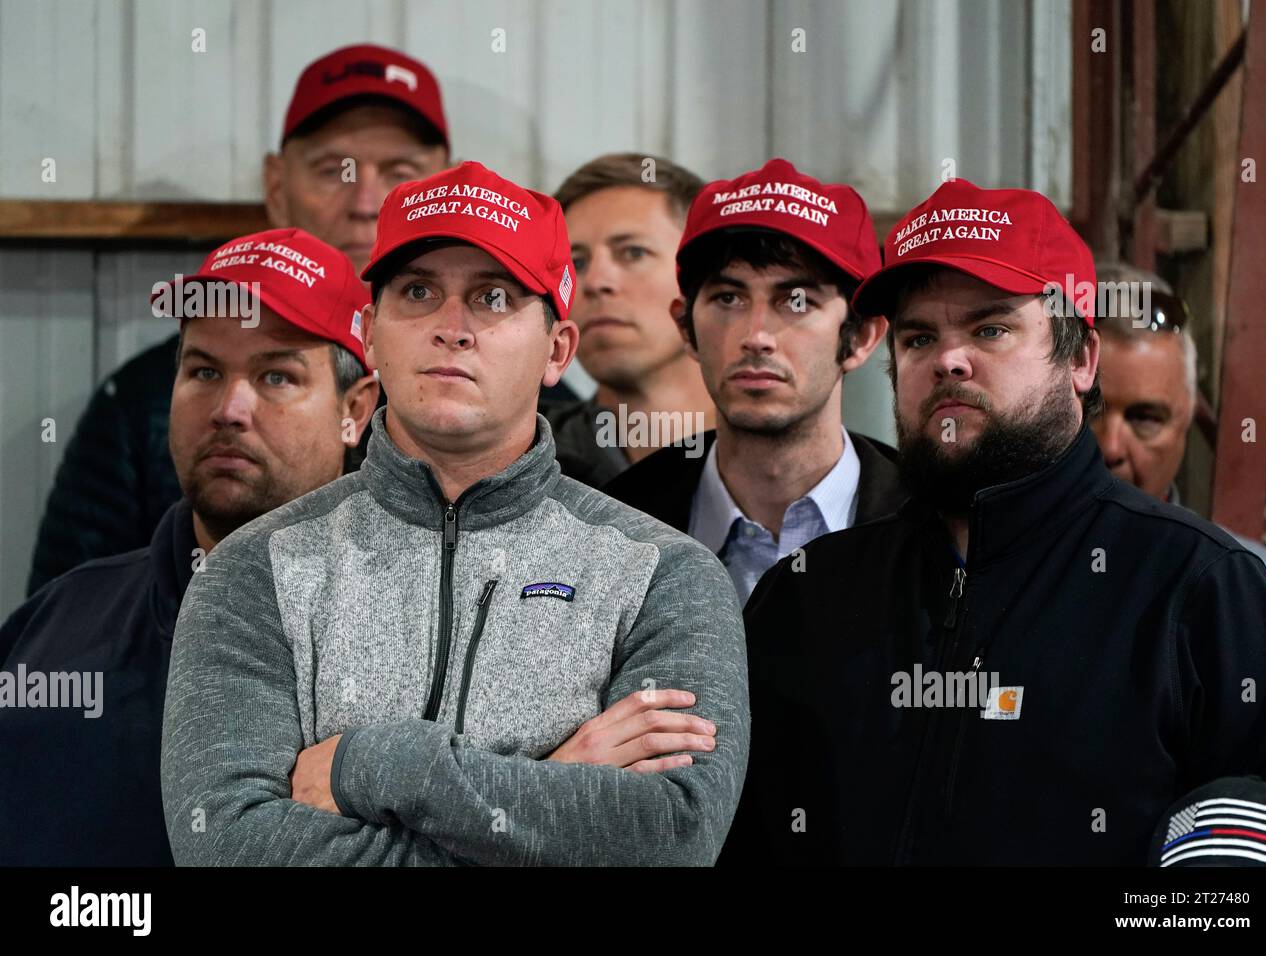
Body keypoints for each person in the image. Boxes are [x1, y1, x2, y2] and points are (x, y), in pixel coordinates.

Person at [160, 161, 750, 866]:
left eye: (493, 297)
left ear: (557, 348)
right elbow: (225, 845)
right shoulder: (252, 571)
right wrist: (554, 786)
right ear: (373, 332)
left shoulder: (665, 575)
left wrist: (380, 765)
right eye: (418, 291)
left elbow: (673, 836)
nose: (452, 327)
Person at [726, 178, 1266, 865]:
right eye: (918, 337)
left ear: (1081, 359)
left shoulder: (1198, 588)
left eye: (991, 327)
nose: (948, 359)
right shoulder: (808, 595)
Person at [24, 44, 553, 594]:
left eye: (400, 174)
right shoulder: (143, 400)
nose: (366, 201)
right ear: (276, 187)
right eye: (333, 171)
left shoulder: (518, 391)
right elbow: (70, 617)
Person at [0, 228, 380, 865]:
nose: (230, 408)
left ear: (356, 410)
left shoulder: (431, 634)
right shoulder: (56, 629)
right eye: (204, 370)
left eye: (277, 376)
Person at [604, 158, 905, 605]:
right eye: (728, 298)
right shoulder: (613, 524)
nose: (757, 337)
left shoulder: (938, 522)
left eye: (796, 302)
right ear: (686, 328)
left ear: (862, 336)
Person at [1089, 261, 1266, 616]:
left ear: (1187, 417)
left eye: (1145, 418)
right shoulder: (976, 570)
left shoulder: (1264, 594)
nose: (1110, 447)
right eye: (1088, 410)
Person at [546, 153, 712, 486]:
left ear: (703, 273)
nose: (595, 282)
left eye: (634, 252)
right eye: (576, 263)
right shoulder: (522, 461)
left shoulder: (778, 455)